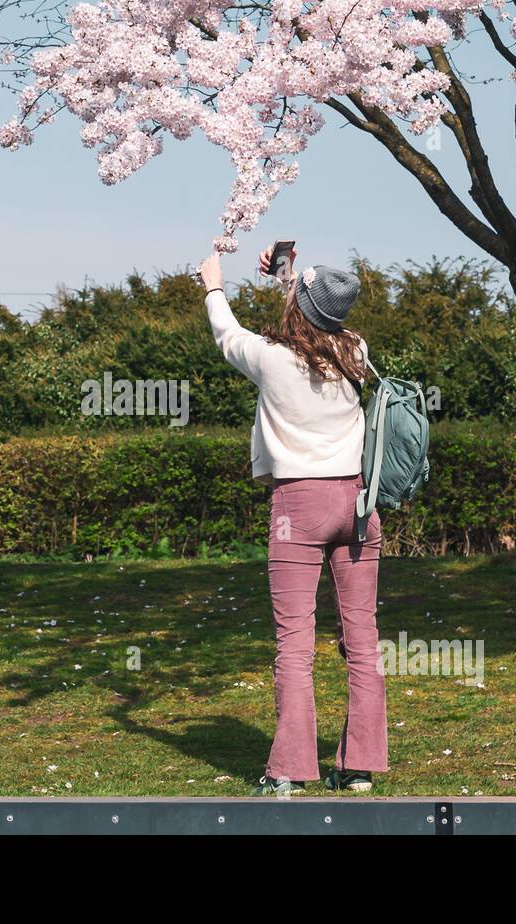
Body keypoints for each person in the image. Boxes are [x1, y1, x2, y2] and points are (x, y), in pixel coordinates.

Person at [198, 245, 386, 796]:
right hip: (358, 504)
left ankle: (290, 769)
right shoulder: (355, 350)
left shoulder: (270, 358)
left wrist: (213, 284)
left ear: (297, 305)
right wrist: (285, 275)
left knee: (294, 641)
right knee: (364, 639)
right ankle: (357, 768)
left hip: (298, 509)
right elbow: (313, 321)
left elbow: (228, 335)